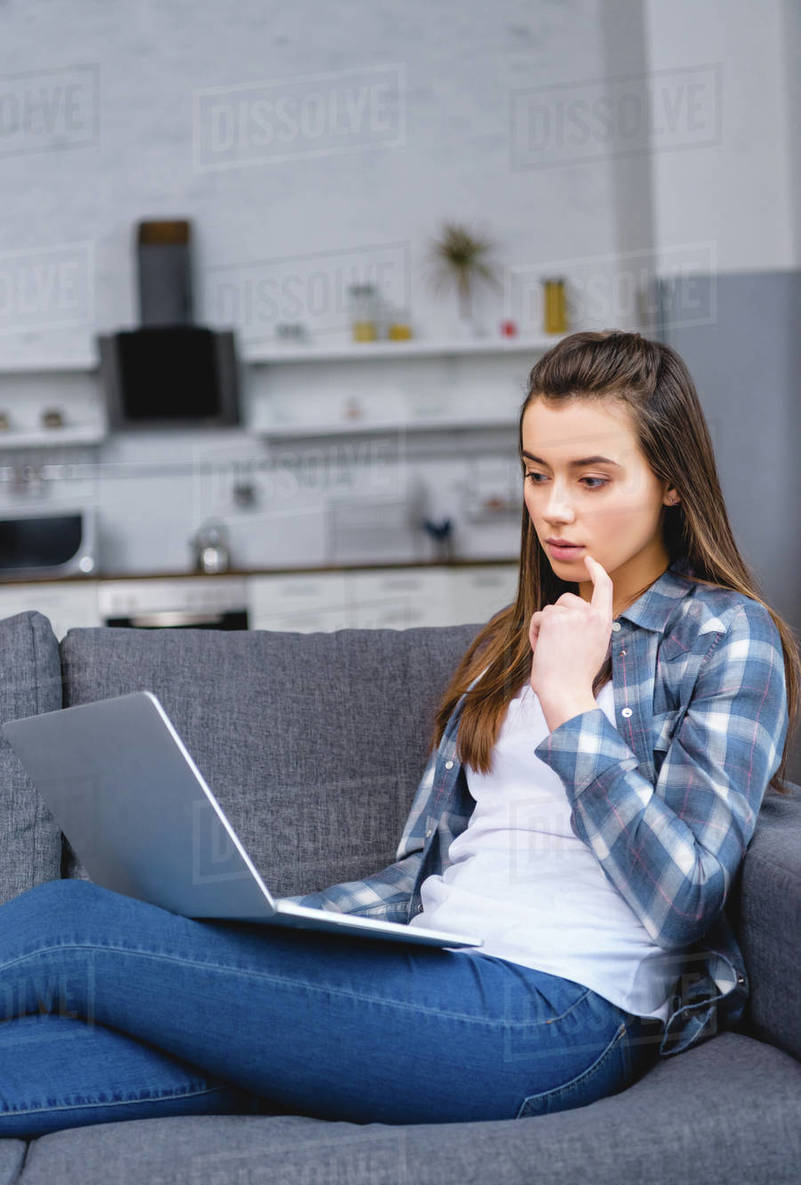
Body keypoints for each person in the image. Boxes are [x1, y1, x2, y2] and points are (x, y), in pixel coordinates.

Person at [0, 329, 795, 1137]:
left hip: (556, 1014)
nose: (554, 508)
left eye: (591, 479)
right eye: (534, 474)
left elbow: (686, 898)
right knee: (47, 1058)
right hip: (428, 976)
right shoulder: (508, 642)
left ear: (669, 481)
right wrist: (257, 923)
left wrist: (569, 702)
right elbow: (417, 881)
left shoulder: (726, 637)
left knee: (70, 922)